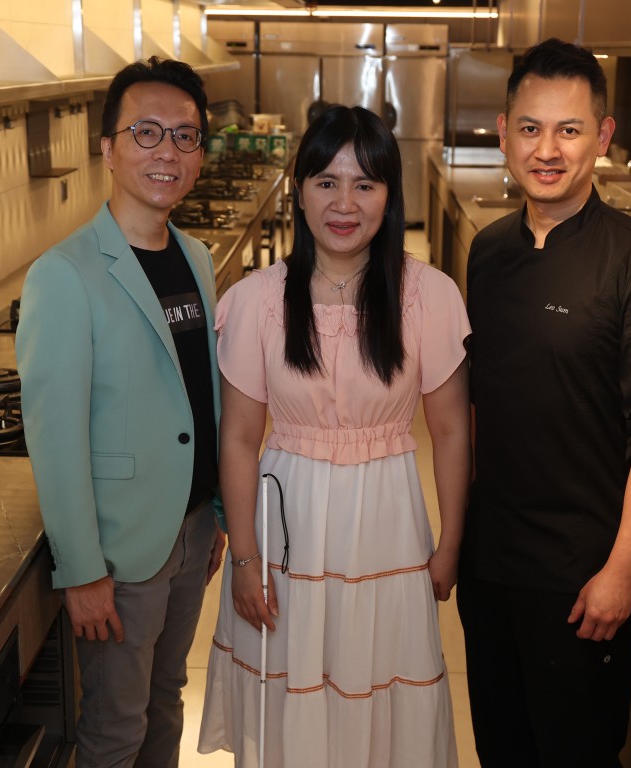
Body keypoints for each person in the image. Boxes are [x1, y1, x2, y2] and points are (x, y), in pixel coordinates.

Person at [198, 104, 470, 767]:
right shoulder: (259, 299)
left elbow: (452, 429)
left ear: (389, 195)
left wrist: (450, 544)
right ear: (299, 191)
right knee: (292, 695)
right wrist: (245, 558)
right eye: (326, 182)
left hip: (387, 523)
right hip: (286, 526)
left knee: (378, 688)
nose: (344, 203)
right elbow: (238, 439)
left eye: (364, 184)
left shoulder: (429, 295)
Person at [458, 38, 631, 767]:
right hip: (490, 568)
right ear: (504, 133)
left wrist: (620, 573)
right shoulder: (489, 252)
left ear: (603, 135)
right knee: (502, 750)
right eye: (530, 128)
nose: (547, 150)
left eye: (569, 129)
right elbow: (483, 404)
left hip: (580, 582)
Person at [16, 56, 225, 768]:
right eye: (146, 132)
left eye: (185, 136)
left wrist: (216, 510)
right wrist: (81, 571)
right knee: (114, 731)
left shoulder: (197, 257)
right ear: (108, 148)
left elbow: (202, 396)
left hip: (191, 530)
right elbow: (54, 436)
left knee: (166, 701)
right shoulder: (64, 274)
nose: (167, 151)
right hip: (119, 551)